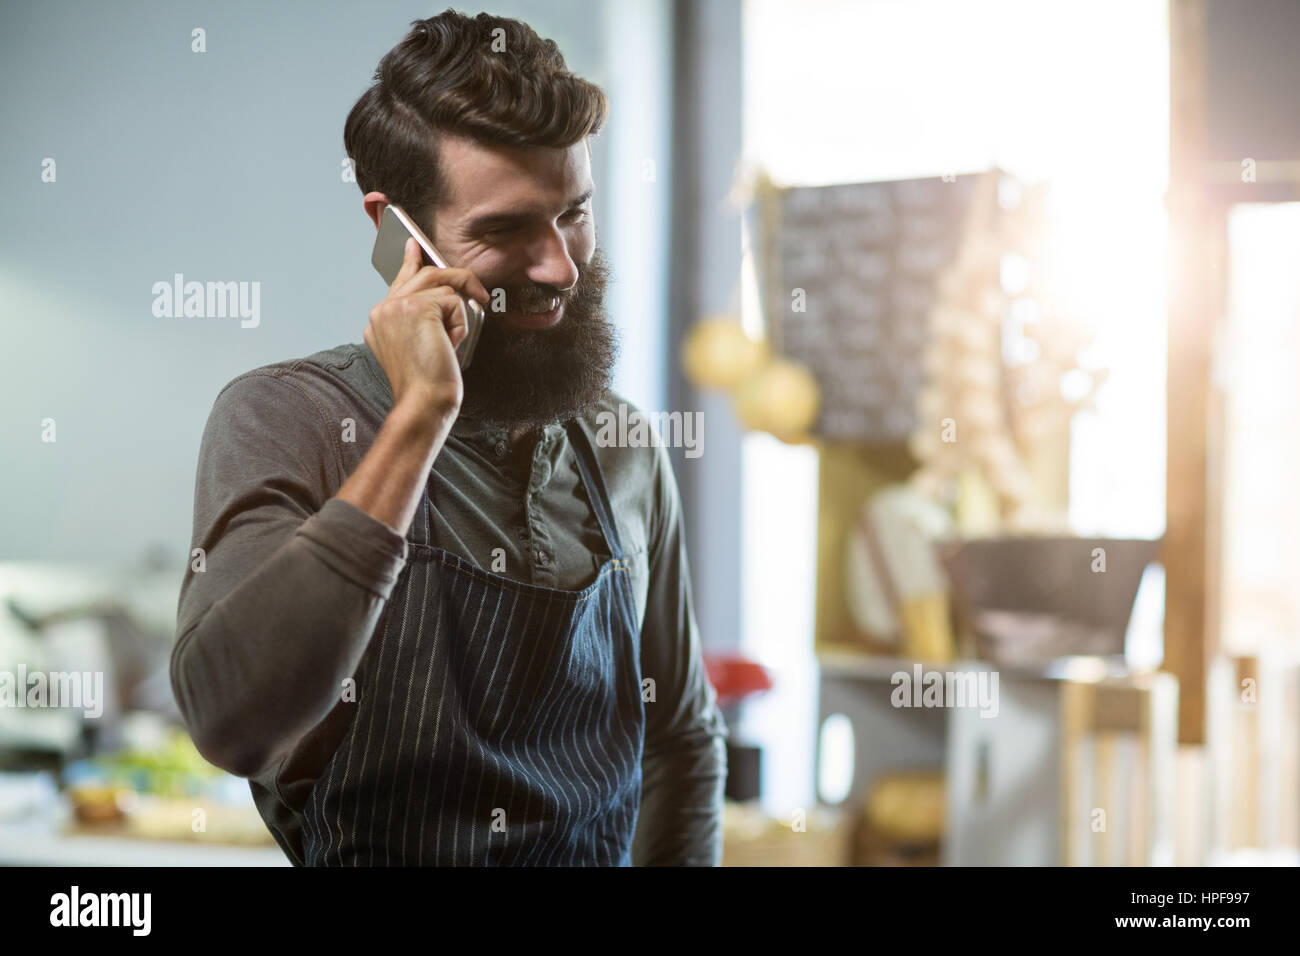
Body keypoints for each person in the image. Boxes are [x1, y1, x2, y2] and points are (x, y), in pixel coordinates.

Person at [170, 9, 728, 867]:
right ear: (398, 232)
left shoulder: (622, 444)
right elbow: (232, 723)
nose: (561, 268)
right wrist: (422, 413)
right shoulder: (287, 420)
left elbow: (680, 741)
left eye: (573, 213)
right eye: (505, 230)